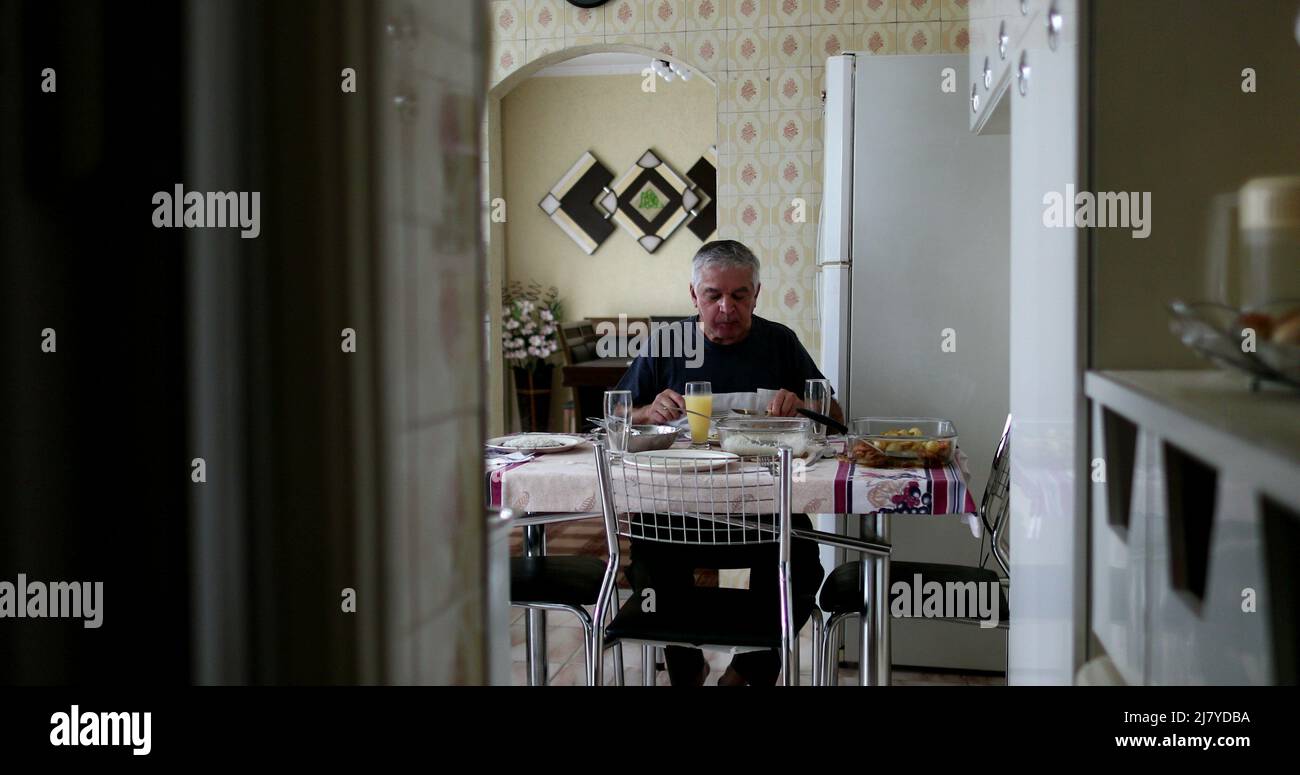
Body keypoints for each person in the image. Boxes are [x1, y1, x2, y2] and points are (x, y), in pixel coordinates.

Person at [613, 239, 839, 685]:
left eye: (739, 295)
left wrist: (803, 404)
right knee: (649, 573)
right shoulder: (666, 344)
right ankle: (684, 665)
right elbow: (615, 413)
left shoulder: (780, 343)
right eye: (714, 295)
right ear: (694, 296)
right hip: (674, 515)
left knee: (804, 567)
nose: (726, 308)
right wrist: (645, 411)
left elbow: (835, 418)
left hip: (766, 515)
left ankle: (747, 672)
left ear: (757, 294)